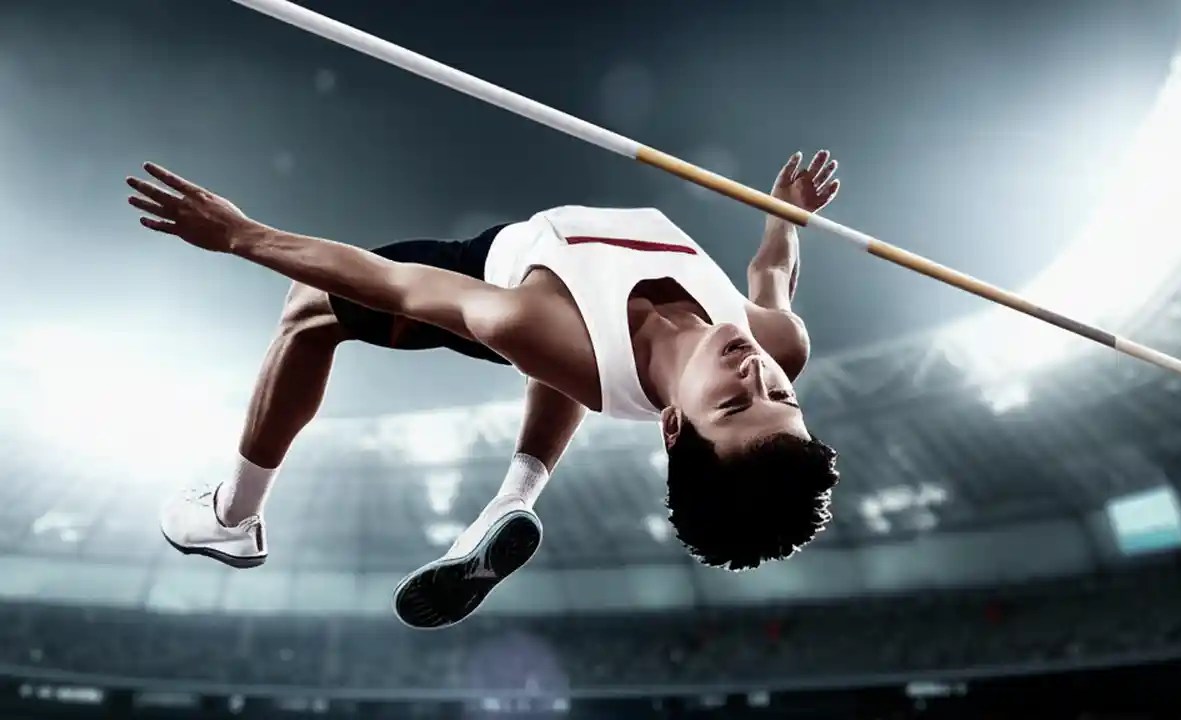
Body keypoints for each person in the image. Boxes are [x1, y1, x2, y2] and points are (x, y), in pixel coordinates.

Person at [131, 150, 843, 629]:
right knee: (561, 355)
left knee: (308, 312)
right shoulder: (779, 343)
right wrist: (787, 215)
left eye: (733, 403)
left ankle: (233, 517)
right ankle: (512, 500)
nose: (757, 375)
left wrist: (242, 235)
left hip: (494, 274)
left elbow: (399, 286)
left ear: (675, 427)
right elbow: (772, 275)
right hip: (576, 333)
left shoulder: (525, 317)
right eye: (783, 397)